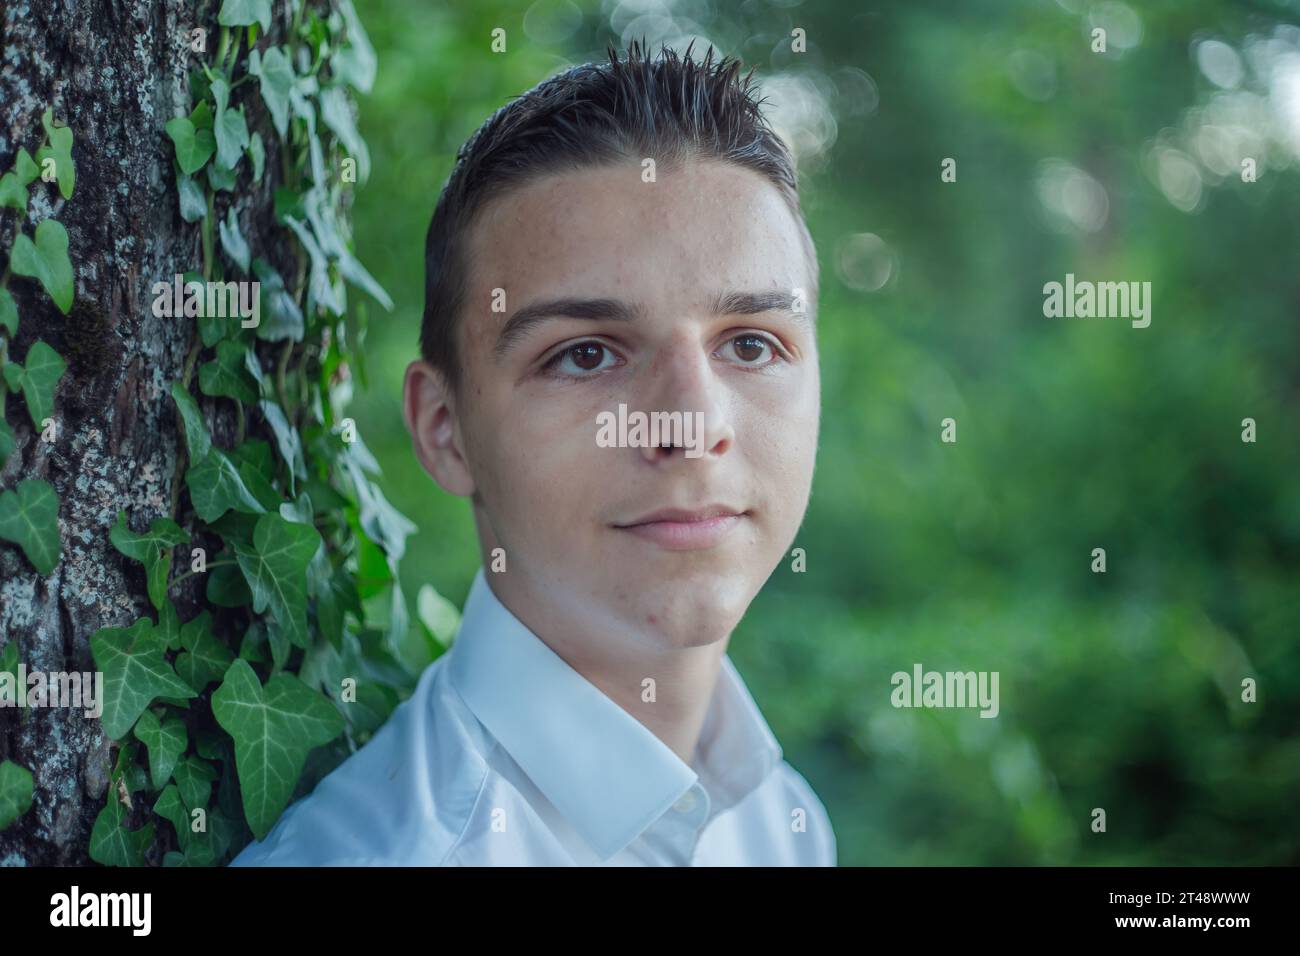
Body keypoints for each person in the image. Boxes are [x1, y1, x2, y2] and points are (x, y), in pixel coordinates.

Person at [231, 41, 833, 866]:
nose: (693, 423)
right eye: (586, 354)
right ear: (446, 430)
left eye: (753, 345)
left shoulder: (778, 819)